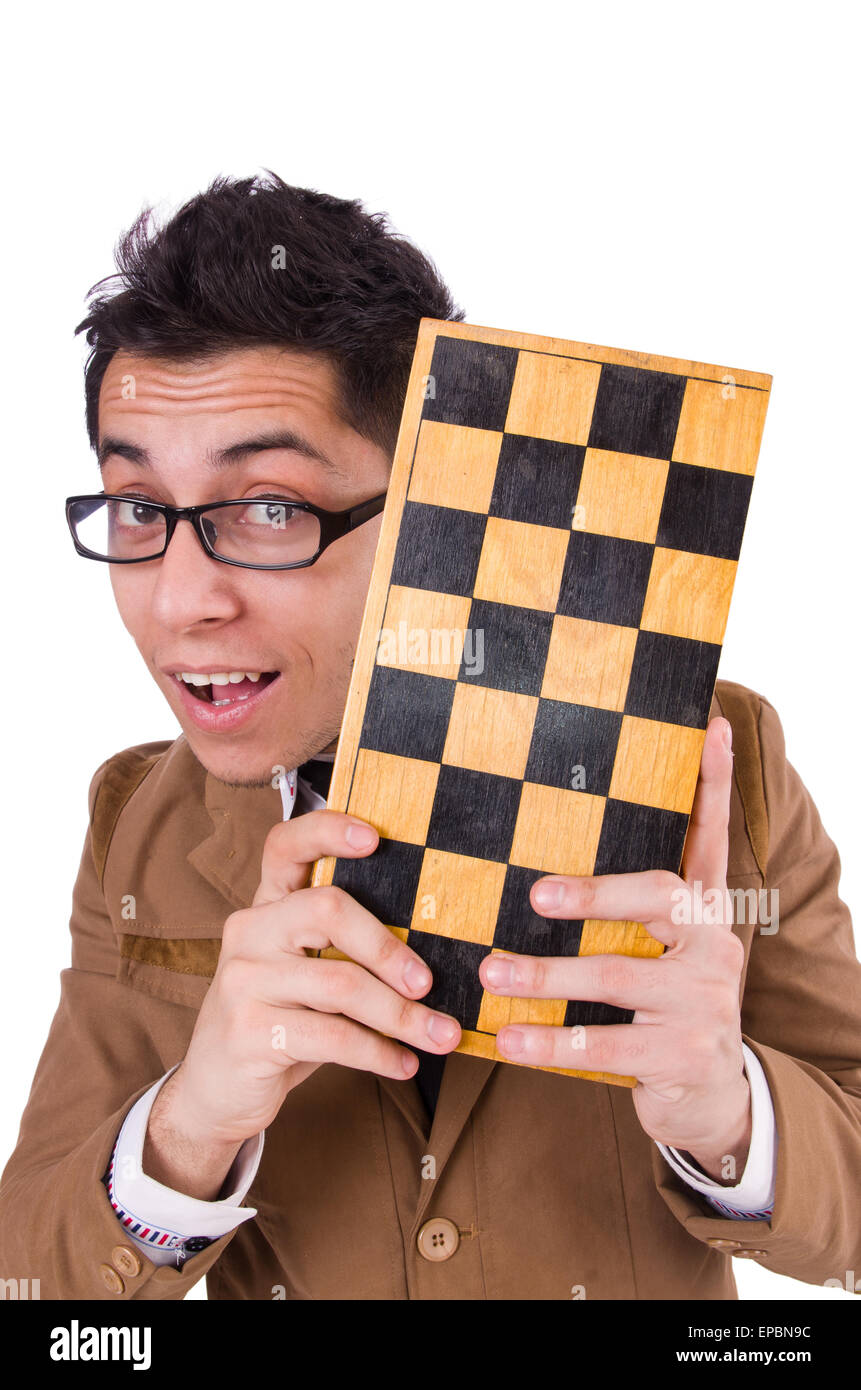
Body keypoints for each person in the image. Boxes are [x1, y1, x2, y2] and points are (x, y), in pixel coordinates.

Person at [1, 174, 859, 1301]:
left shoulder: (706, 758)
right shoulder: (142, 822)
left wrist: (738, 1116)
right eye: (137, 509)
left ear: (432, 507)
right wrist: (188, 1126)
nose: (179, 601)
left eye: (269, 508)